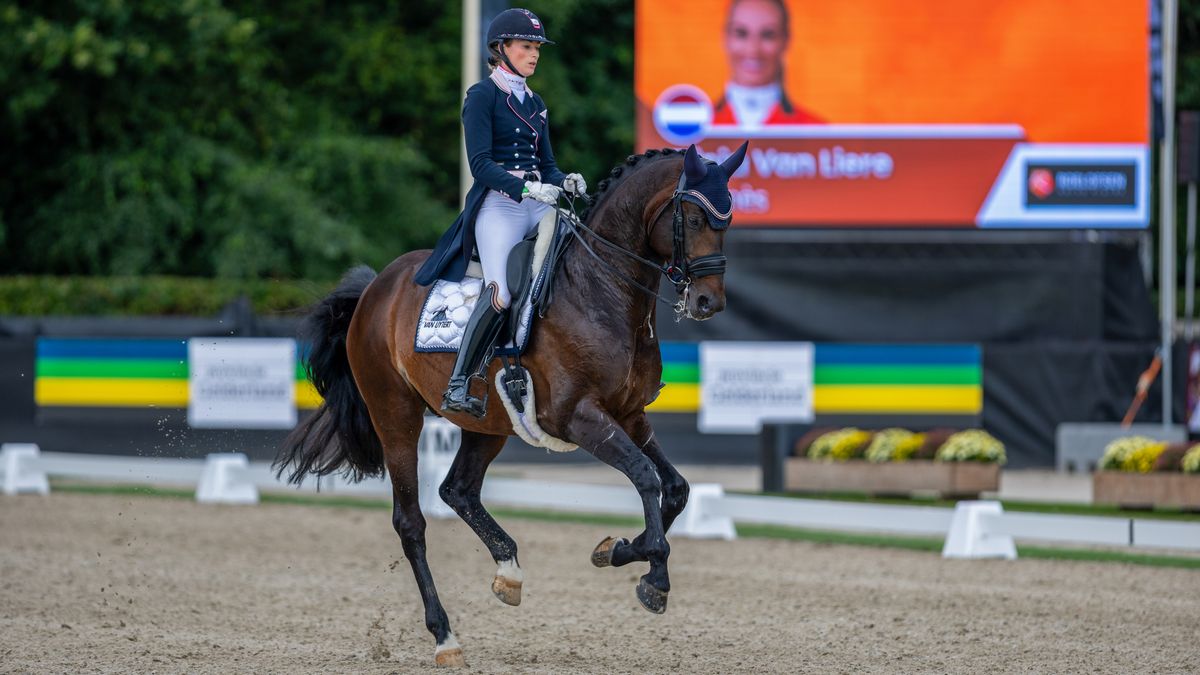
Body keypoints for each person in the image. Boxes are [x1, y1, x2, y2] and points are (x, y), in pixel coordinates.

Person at [414, 7, 587, 418]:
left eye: (537, 48)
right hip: (501, 208)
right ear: (501, 48)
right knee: (501, 294)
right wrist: (527, 187)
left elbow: (547, 165)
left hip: (537, 204)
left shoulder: (536, 102)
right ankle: (459, 382)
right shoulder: (482, 96)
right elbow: (481, 165)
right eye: (527, 47)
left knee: (578, 261)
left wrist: (565, 181)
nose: (534, 55)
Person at [712, 0, 823, 128]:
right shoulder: (692, 130)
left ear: (786, 40)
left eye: (768, 35)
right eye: (741, 34)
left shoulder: (817, 134)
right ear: (725, 37)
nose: (753, 50)